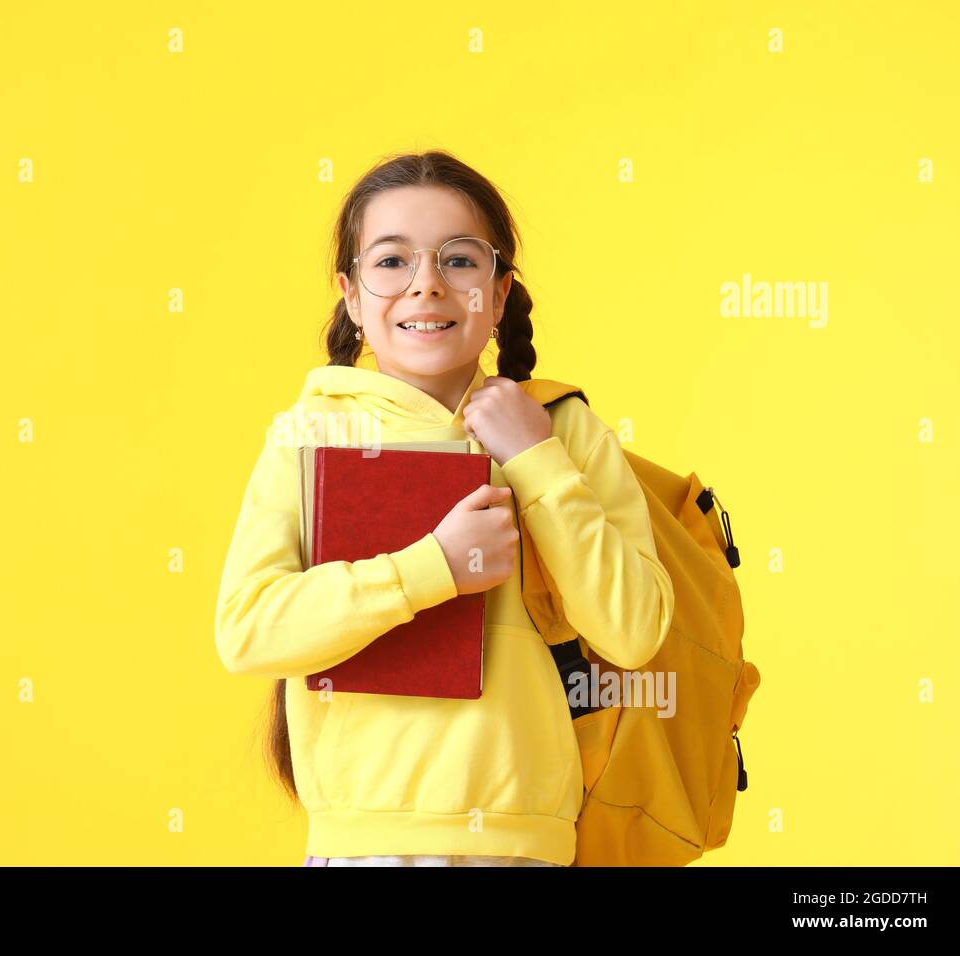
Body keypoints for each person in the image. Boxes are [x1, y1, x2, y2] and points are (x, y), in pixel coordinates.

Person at [214, 150, 674, 867]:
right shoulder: (312, 433)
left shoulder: (562, 427)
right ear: (352, 294)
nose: (426, 286)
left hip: (528, 846)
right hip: (365, 847)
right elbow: (247, 631)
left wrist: (536, 459)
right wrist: (434, 568)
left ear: (497, 293)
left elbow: (635, 630)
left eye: (459, 261)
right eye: (392, 262)